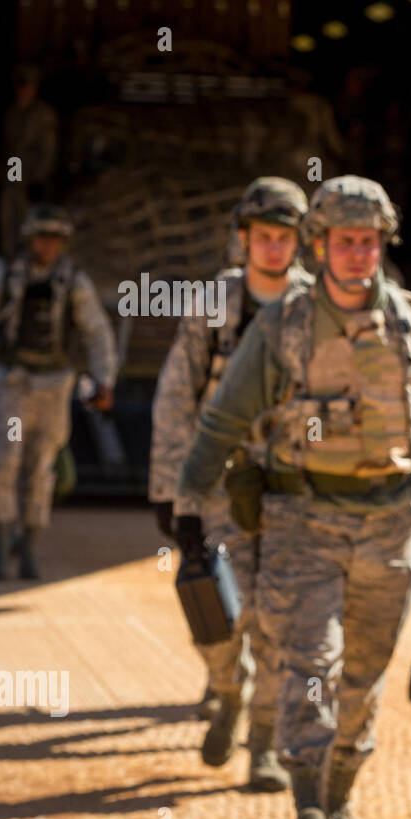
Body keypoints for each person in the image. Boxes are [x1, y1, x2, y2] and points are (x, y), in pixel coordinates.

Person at [174, 175, 411, 819]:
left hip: (390, 527)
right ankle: (308, 800)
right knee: (307, 662)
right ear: (319, 245)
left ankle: (341, 796)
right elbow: (222, 418)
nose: (358, 254)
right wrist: (188, 504)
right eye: (345, 241)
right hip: (300, 521)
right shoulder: (282, 322)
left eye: (370, 242)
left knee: (362, 675)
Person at [149, 177, 312, 784]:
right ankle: (228, 685)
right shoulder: (214, 303)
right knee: (211, 605)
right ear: (243, 238)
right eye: (263, 236)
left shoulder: (312, 305)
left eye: (284, 238)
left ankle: (263, 742)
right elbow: (174, 398)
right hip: (217, 483)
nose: (273, 248)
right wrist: (172, 492)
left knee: (277, 617)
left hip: (289, 489)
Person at [0, 205, 116, 580]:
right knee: (5, 461)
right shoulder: (7, 276)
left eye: (53, 239)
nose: (46, 246)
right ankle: (0, 543)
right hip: (12, 385)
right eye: (40, 237)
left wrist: (104, 380)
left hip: (52, 387)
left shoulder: (72, 282)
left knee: (40, 468)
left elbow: (96, 333)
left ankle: (28, 543)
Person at [0, 65, 59, 259]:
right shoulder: (12, 112)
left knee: (28, 223)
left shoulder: (43, 115)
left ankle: (27, 264)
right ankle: (8, 259)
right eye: (20, 86)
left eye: (28, 86)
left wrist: (39, 178)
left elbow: (48, 149)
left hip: (30, 177)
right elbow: (7, 146)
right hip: (11, 176)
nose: (23, 91)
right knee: (6, 219)